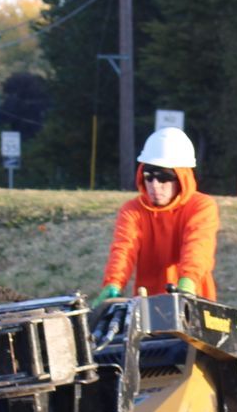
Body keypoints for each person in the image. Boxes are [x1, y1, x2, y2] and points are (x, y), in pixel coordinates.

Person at [92, 127, 219, 308]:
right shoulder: (132, 210)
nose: (155, 185)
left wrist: (188, 282)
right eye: (148, 177)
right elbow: (123, 248)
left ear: (181, 177)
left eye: (164, 177)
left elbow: (198, 245)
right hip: (148, 308)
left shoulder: (201, 206)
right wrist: (113, 283)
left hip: (194, 301)